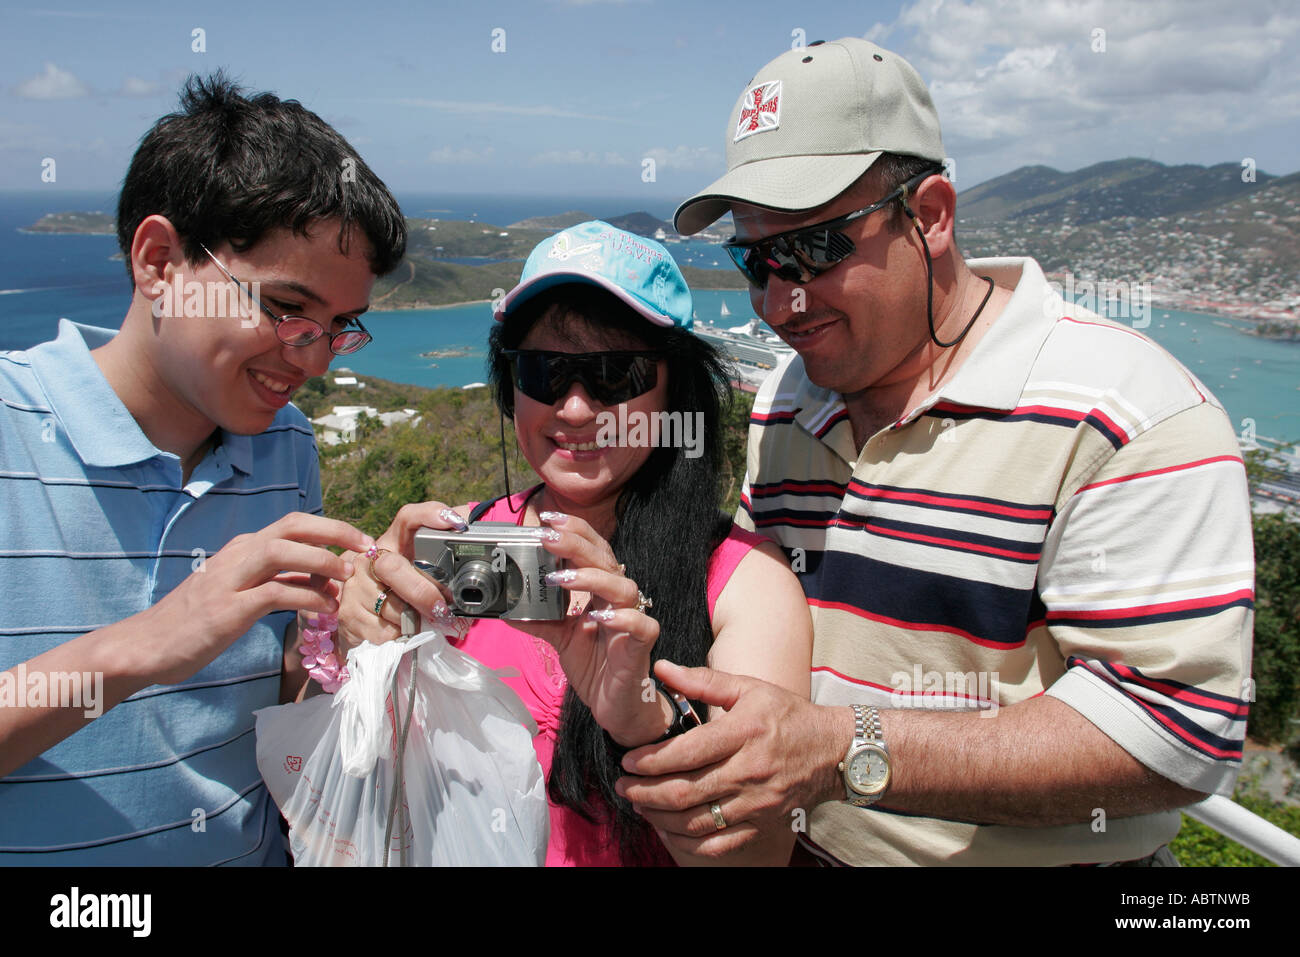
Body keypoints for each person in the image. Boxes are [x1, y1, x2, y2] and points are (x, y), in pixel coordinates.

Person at [614, 38, 1255, 866]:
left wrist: (844, 750)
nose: (779, 299)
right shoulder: (784, 401)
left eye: (812, 248)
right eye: (756, 258)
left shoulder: (1125, 417)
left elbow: (1177, 734)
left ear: (931, 215)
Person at [0, 73, 404, 864]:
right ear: (158, 260)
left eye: (338, 326)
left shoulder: (286, 449)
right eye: (287, 309)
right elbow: (170, 644)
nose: (313, 358)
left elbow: (265, 705)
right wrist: (146, 643)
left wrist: (353, 640)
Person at [334, 221, 812, 866]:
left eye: (615, 375)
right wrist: (358, 636)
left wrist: (643, 716)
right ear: (511, 388)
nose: (577, 409)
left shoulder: (743, 582)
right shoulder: (451, 548)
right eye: (545, 372)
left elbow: (755, 858)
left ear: (676, 392)